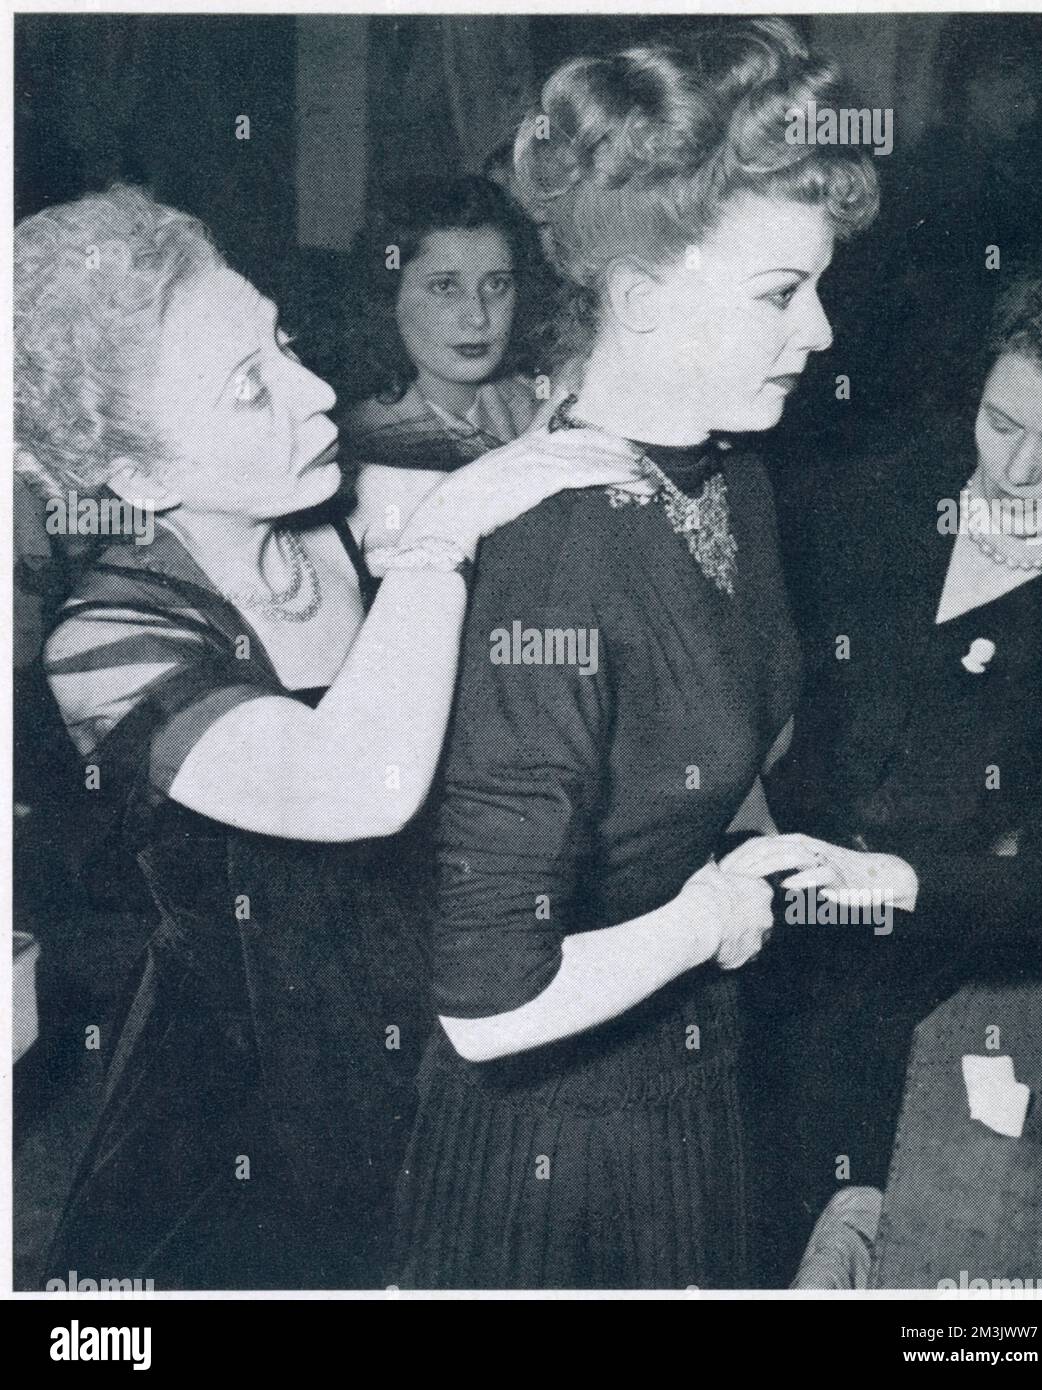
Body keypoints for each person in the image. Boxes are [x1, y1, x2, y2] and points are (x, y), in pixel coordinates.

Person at [17, 184, 647, 1288]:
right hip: (242, 1100)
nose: (315, 395)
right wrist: (443, 536)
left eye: (285, 343)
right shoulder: (106, 641)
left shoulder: (343, 510)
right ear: (139, 475)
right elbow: (363, 781)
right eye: (250, 387)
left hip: (439, 1022)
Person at [394, 20, 879, 1290]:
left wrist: (754, 855)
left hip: (683, 1072)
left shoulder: (730, 475)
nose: (819, 331)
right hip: (550, 1150)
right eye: (783, 292)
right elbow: (487, 1007)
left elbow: (699, 743)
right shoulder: (556, 556)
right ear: (642, 296)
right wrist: (711, 914)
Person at [748, 260, 1042, 1284]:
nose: (1014, 470)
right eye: (998, 424)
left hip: (946, 989)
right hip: (772, 946)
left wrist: (903, 883)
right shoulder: (874, 492)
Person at [340, 175, 548, 557]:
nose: (478, 316)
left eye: (497, 284)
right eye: (445, 287)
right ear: (389, 299)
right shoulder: (364, 446)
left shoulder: (535, 406)